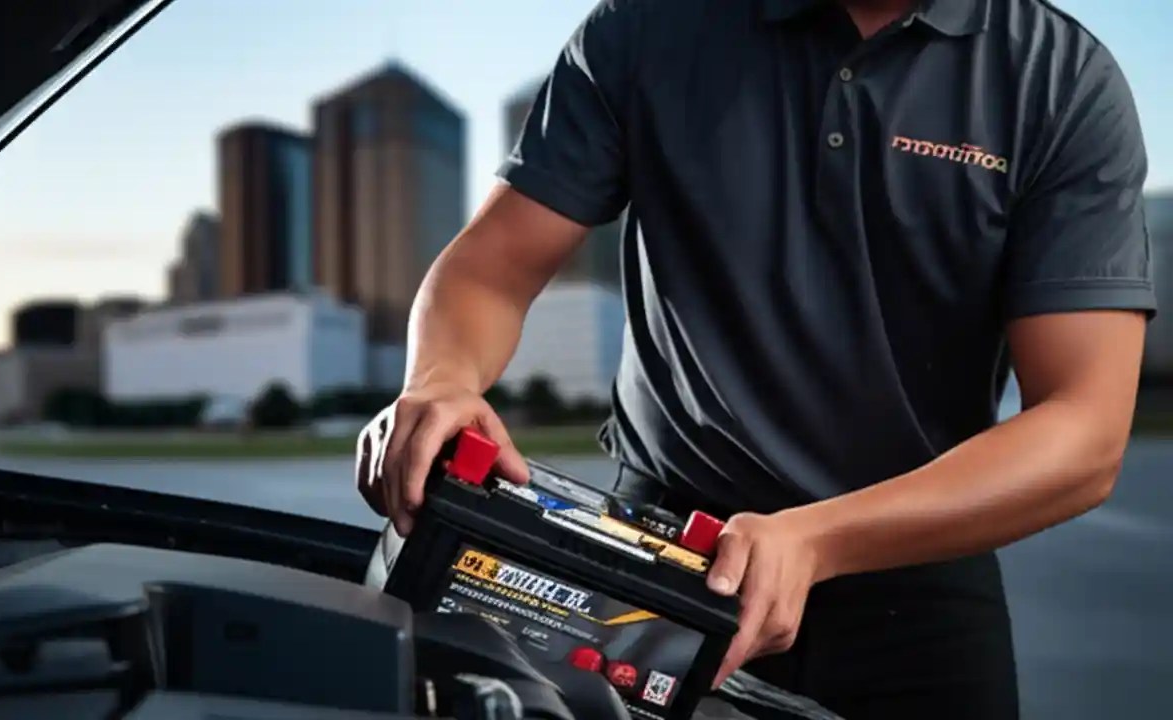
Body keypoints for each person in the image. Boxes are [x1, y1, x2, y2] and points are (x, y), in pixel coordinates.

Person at [355, 0, 1153, 717]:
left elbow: (1084, 429)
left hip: (918, 581)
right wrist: (441, 380)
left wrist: (816, 540)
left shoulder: (1058, 77)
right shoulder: (649, 28)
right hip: (660, 561)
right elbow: (494, 267)